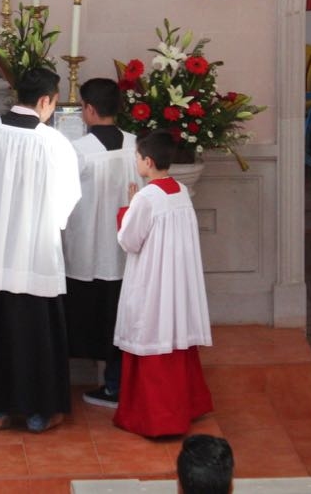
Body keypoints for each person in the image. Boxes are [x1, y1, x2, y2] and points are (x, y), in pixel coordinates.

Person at [0, 67, 82, 433]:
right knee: (35, 333)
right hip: (33, 254)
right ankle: (40, 410)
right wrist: (40, 228)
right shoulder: (54, 143)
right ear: (45, 101)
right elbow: (66, 201)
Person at [113, 130, 214, 437]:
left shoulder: (146, 197)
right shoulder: (181, 191)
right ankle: (187, 407)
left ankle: (155, 419)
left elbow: (130, 240)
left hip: (153, 283)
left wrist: (127, 210)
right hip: (176, 283)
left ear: (148, 161)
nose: (135, 161)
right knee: (174, 338)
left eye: (137, 157)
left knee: (150, 335)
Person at [64, 78, 142, 409]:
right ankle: (115, 384)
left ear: (90, 110)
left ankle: (64, 382)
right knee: (118, 317)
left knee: (81, 318)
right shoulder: (136, 145)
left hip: (84, 252)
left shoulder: (77, 151)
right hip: (124, 253)